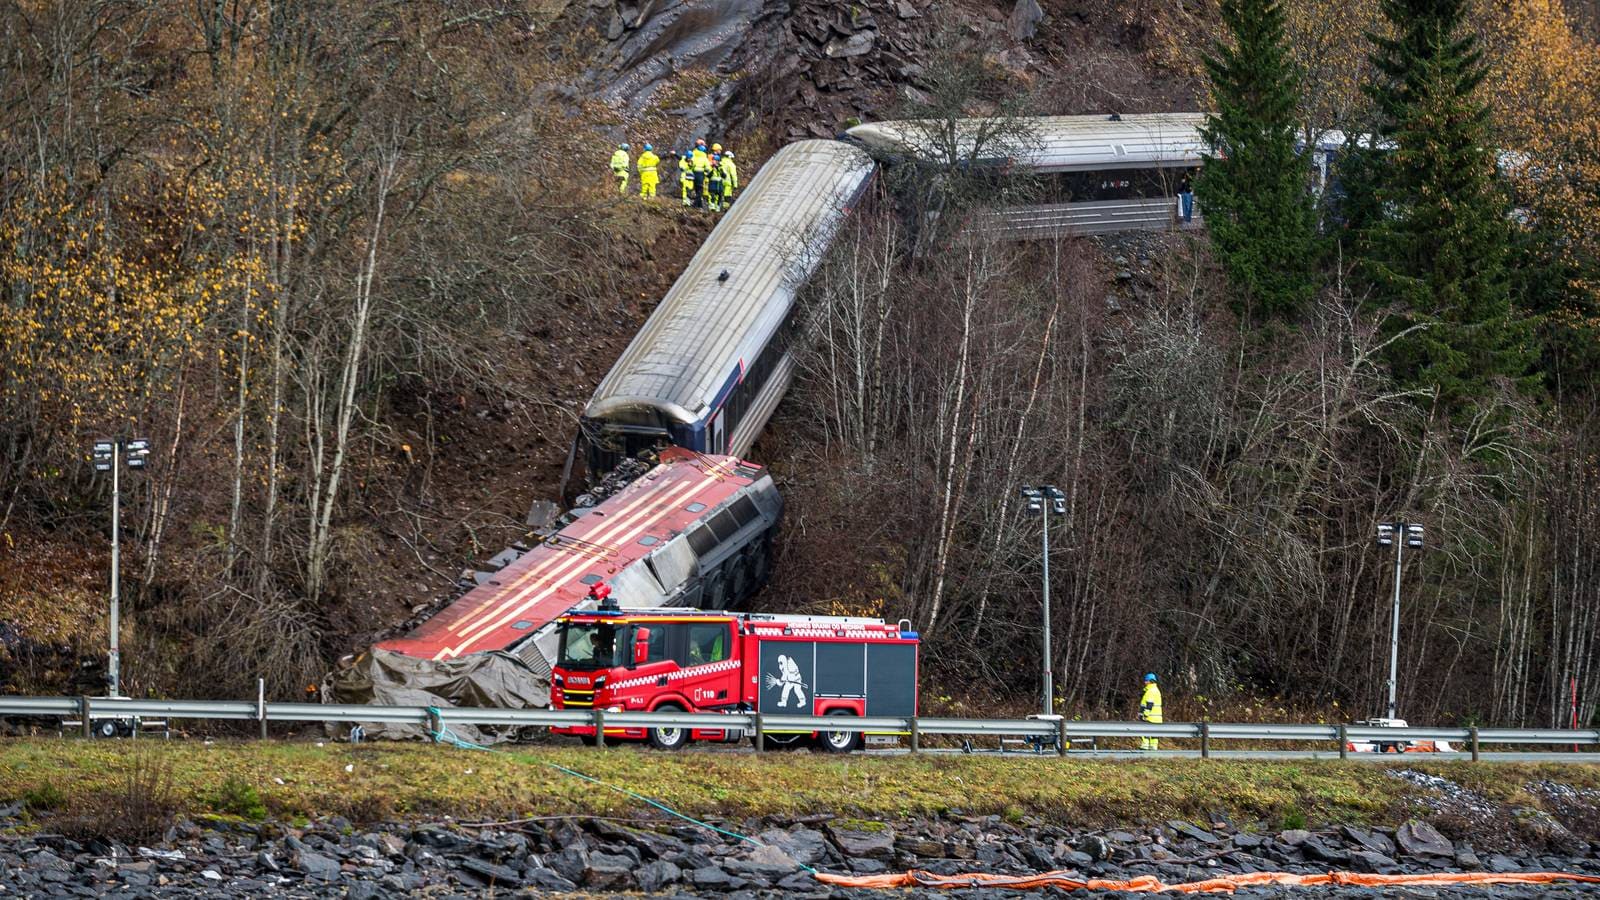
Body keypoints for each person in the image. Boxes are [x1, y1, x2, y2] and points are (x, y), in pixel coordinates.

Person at [1139, 673, 1163, 751]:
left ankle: (1145, 746)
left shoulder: (1151, 691)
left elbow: (1149, 704)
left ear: (1150, 681)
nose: (1145, 682)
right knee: (1154, 734)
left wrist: (1144, 715)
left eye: (1146, 680)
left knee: (1144, 731)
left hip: (1150, 717)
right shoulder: (1156, 690)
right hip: (1157, 717)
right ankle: (1153, 748)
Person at [691, 140, 711, 208]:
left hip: (693, 173)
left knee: (696, 189)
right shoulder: (704, 157)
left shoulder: (693, 154)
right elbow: (708, 167)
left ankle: (699, 205)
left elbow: (691, 163)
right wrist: (707, 173)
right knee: (700, 190)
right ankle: (695, 204)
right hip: (700, 174)